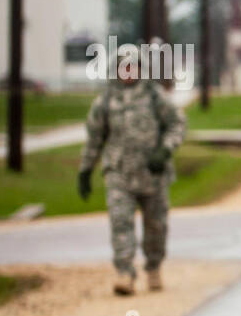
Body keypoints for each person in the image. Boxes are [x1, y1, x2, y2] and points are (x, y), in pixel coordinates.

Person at [78, 63, 186, 295]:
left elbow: (177, 124)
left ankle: (154, 267)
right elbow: (94, 138)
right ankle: (125, 273)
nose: (128, 73)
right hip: (119, 174)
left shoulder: (154, 96)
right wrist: (85, 170)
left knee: (156, 225)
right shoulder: (106, 101)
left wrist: (165, 150)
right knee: (120, 222)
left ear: (140, 69)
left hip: (152, 174)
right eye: (123, 68)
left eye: (132, 67)